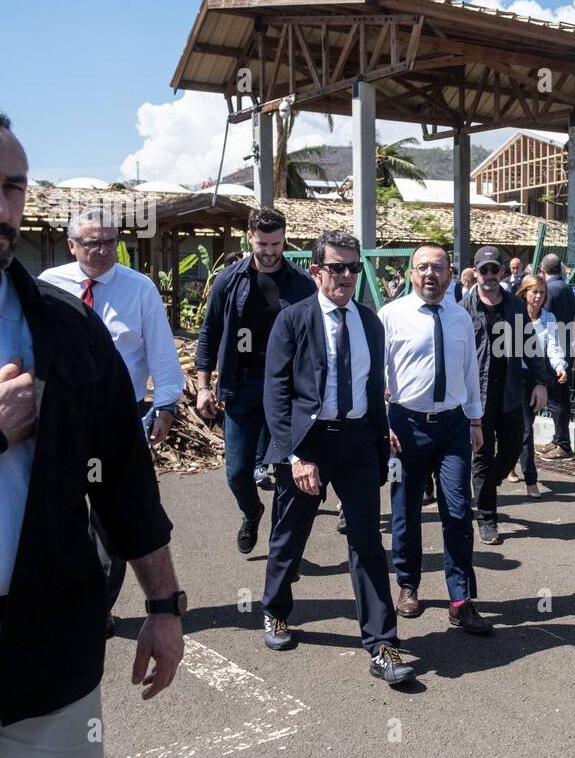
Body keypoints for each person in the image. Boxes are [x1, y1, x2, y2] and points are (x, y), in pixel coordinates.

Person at [0, 107, 183, 758]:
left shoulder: (66, 329)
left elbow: (124, 481)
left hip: (50, 642)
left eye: (14, 187)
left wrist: (165, 608)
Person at [258, 230, 415, 682]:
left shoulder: (369, 321)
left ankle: (382, 644)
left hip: (358, 444)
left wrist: (379, 433)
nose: (346, 275)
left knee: (367, 541)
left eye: (352, 266)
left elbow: (370, 386)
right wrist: (296, 455)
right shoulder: (293, 320)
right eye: (336, 267)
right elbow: (277, 393)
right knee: (290, 534)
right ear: (316, 272)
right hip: (308, 444)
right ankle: (275, 609)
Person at [39, 206, 184, 637]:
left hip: (123, 416)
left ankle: (97, 605)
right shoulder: (48, 286)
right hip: (62, 416)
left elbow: (161, 349)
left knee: (114, 515)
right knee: (61, 510)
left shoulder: (138, 289)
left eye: (109, 242)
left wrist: (168, 405)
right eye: (91, 243)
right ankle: (61, 594)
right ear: (72, 246)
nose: (102, 250)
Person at [380, 243, 493, 633]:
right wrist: (384, 425)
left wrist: (475, 422)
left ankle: (461, 599)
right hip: (404, 426)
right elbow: (375, 378)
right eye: (422, 267)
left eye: (438, 267)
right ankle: (407, 585)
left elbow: (469, 372)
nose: (430, 273)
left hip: (452, 427)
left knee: (459, 512)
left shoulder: (461, 317)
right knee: (405, 510)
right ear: (411, 274)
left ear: (450, 273)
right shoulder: (390, 316)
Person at [194, 207, 315, 556]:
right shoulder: (228, 280)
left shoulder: (301, 283)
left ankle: (281, 547)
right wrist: (203, 386)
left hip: (287, 391)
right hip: (241, 387)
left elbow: (313, 339)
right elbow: (209, 333)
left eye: (276, 243)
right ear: (250, 238)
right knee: (237, 472)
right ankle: (252, 512)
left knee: (285, 473)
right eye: (263, 243)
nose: (270, 250)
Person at [459, 246, 551, 544]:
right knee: (481, 456)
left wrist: (540, 381)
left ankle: (485, 488)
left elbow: (531, 346)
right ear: (475, 272)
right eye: (482, 270)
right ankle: (487, 518)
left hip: (510, 392)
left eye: (493, 269)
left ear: (502, 272)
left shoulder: (514, 306)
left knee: (512, 449)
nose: (488, 275)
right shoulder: (463, 309)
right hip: (477, 396)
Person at [515, 274, 567, 498]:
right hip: (512, 378)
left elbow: (554, 347)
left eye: (542, 292)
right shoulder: (514, 315)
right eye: (534, 291)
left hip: (536, 379)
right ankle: (531, 480)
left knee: (524, 428)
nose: (538, 296)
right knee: (524, 430)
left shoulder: (549, 319)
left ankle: (512, 465)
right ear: (524, 292)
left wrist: (560, 366)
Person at [538, 253, 575, 459]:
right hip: (566, 347)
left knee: (557, 399)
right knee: (560, 398)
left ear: (542, 271)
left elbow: (544, 321)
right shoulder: (567, 289)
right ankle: (558, 439)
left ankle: (562, 442)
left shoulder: (550, 291)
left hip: (554, 351)